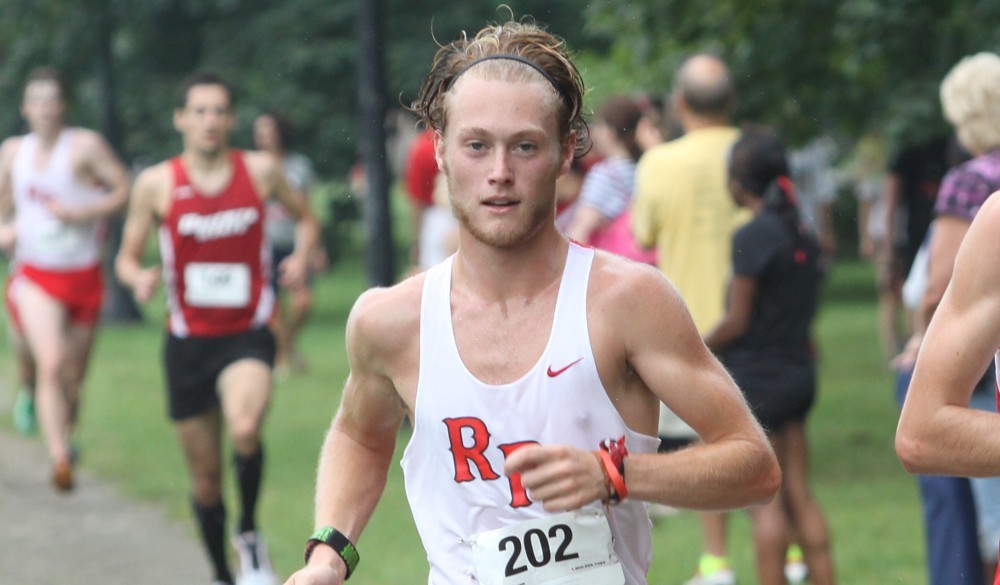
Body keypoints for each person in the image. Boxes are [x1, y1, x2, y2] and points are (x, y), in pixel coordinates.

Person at [282, 17, 780, 585]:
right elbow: (359, 435)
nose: (499, 174)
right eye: (476, 146)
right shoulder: (391, 321)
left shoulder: (628, 301)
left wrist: (614, 476)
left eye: (524, 146)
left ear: (565, 153)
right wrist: (328, 554)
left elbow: (755, 465)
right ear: (441, 150)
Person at [115, 72, 319, 585]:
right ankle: (220, 572)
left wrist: (300, 254)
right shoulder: (157, 183)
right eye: (200, 111)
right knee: (206, 482)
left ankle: (249, 536)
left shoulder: (261, 171)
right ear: (181, 119)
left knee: (246, 427)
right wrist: (138, 277)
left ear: (231, 120)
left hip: (247, 333)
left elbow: (306, 218)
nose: (210, 121)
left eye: (220, 111)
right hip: (187, 343)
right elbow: (125, 256)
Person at [631, 52, 748, 585]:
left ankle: (716, 562)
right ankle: (791, 554)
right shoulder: (754, 153)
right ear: (732, 101)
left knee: (712, 444)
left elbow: (645, 235)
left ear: (679, 103)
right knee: (773, 439)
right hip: (759, 321)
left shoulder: (659, 163)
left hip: (689, 323)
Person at [706, 127, 835, 585]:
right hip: (800, 375)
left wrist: (697, 346)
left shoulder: (753, 235)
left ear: (739, 183)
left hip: (760, 380)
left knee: (766, 504)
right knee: (801, 492)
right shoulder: (802, 230)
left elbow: (737, 320)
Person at [896, 51, 1000, 585]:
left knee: (981, 523)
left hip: (974, 367)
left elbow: (939, 285)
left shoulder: (970, 180)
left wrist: (919, 339)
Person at [0, 67, 130, 491]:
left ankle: (64, 430)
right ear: (25, 108)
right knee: (52, 363)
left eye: (51, 100)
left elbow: (122, 188)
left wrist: (83, 212)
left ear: (62, 106)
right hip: (35, 272)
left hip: (83, 274)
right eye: (35, 100)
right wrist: (5, 229)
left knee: (74, 374)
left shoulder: (84, 146)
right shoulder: (13, 152)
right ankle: (59, 458)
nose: (43, 108)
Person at [253, 109, 323, 376]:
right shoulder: (252, 165)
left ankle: (288, 345)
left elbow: (308, 212)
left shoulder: (298, 166)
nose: (262, 136)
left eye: (267, 129)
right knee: (271, 307)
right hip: (263, 246)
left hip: (295, 244)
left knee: (302, 302)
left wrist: (316, 248)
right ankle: (282, 355)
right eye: (259, 130)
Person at [563, 94, 655, 264]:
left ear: (611, 132)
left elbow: (581, 228)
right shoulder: (645, 169)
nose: (596, 134)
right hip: (642, 261)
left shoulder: (604, 174)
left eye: (600, 126)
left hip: (611, 263)